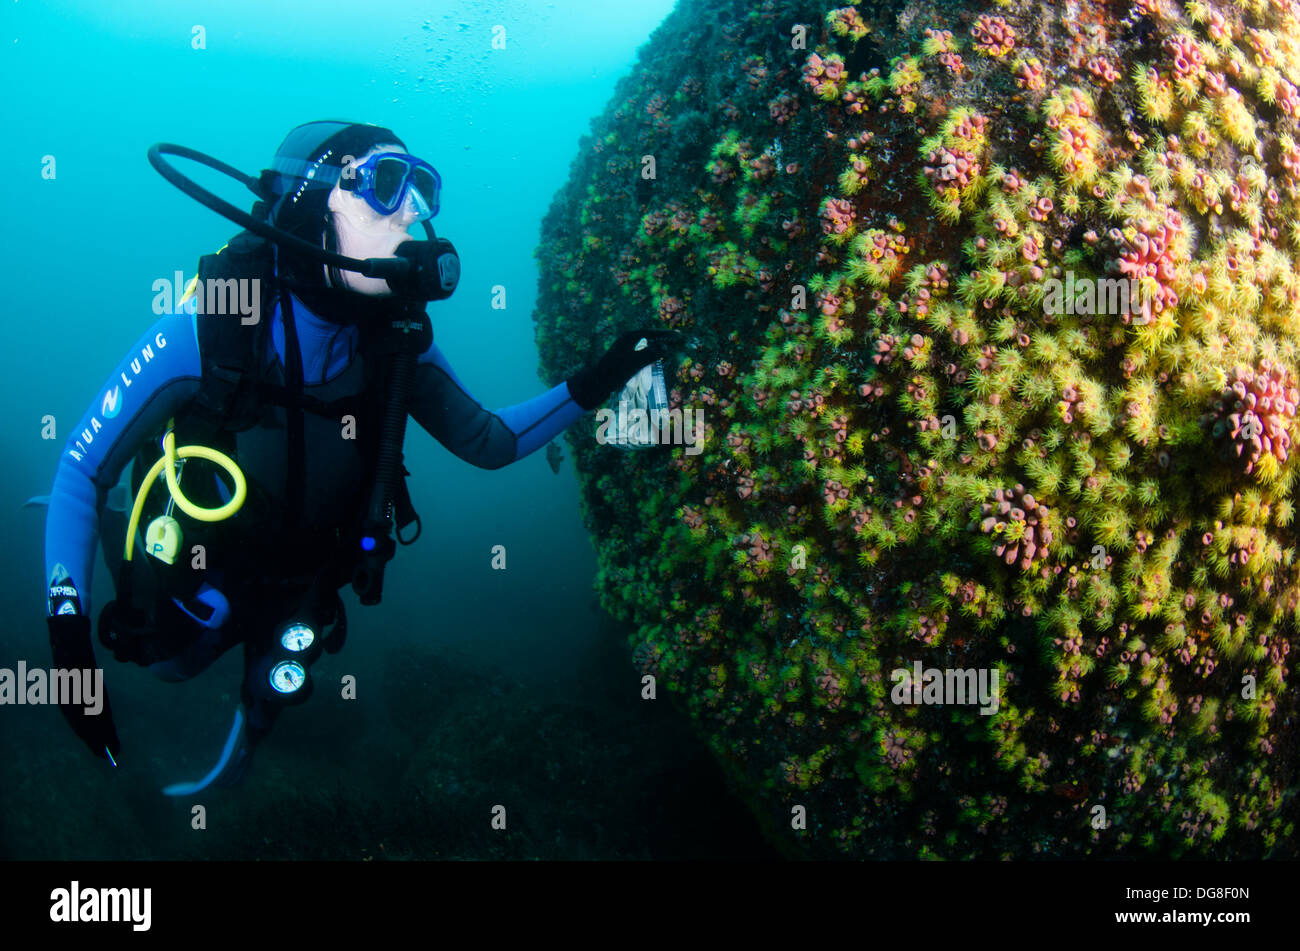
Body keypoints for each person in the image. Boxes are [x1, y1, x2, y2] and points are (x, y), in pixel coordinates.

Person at [43, 120, 676, 794]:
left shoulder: (396, 343)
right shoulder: (212, 328)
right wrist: (67, 644)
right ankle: (120, 536)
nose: (416, 210)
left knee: (274, 693)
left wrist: (604, 376)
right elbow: (81, 471)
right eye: (385, 182)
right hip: (208, 560)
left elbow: (492, 442)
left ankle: (242, 751)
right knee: (168, 662)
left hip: (306, 580)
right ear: (314, 201)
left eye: (423, 188)